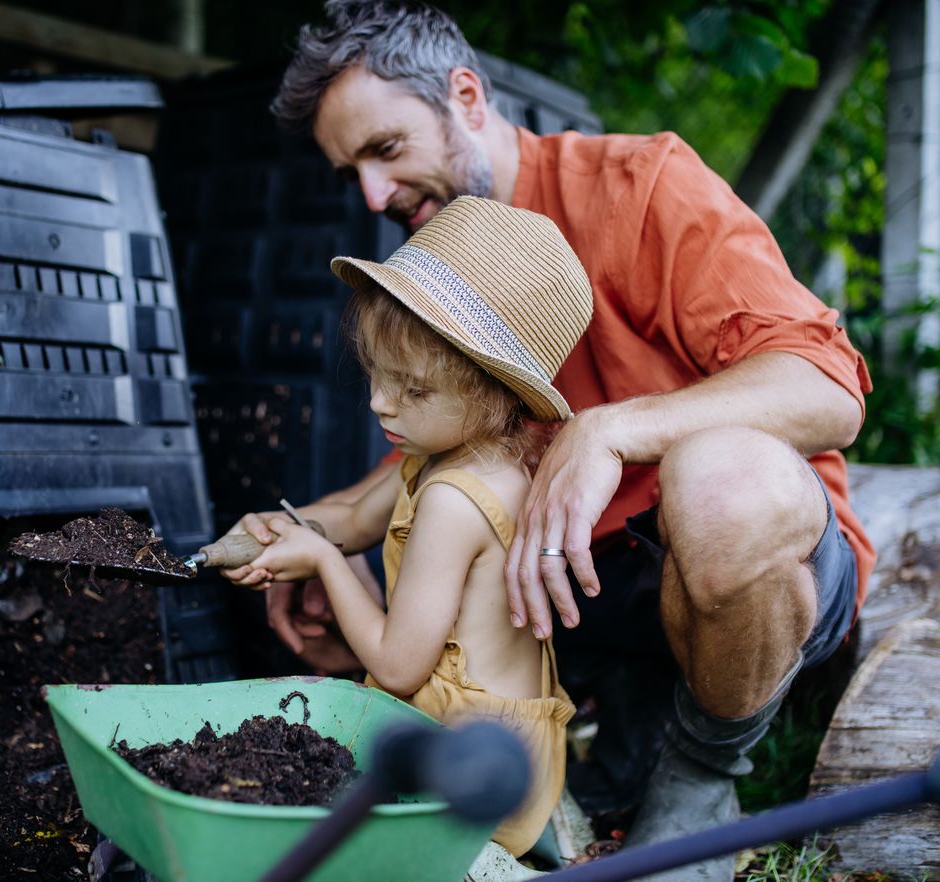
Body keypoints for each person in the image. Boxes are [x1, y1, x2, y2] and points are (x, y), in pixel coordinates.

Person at [227, 3, 877, 881]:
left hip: (757, 565)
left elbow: (827, 388)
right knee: (454, 536)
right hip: (587, 590)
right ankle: (596, 754)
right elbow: (407, 472)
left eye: (385, 149)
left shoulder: (641, 186)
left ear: (465, 96)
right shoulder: (449, 257)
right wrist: (298, 536)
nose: (374, 197)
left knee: (720, 480)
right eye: (353, 174)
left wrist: (610, 430)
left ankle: (702, 775)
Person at [229, 196, 587, 880]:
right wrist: (284, 530)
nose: (378, 403)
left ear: (495, 392)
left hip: (464, 772)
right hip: (510, 753)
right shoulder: (476, 457)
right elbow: (357, 518)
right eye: (376, 373)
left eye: (413, 391)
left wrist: (323, 561)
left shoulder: (454, 500)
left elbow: (397, 668)